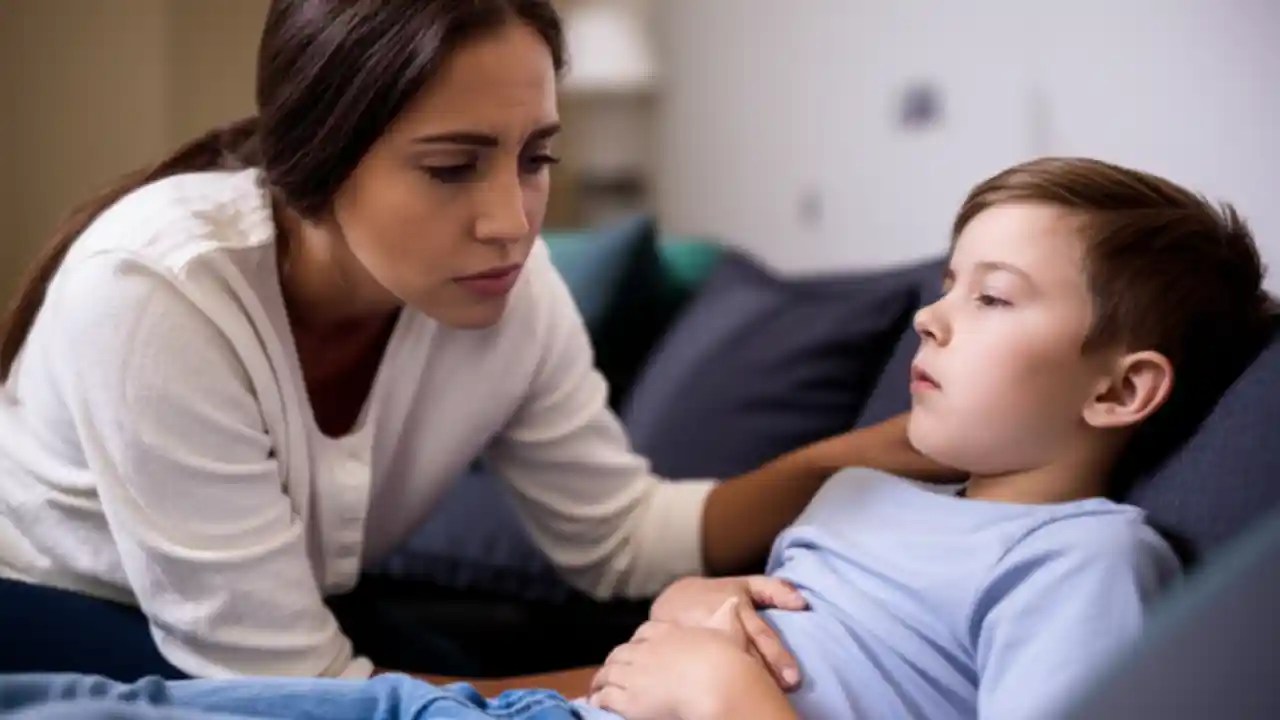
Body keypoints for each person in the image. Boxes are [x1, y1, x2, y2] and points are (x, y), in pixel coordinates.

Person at [2, 156, 1269, 719]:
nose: (929, 318)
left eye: (990, 298)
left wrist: (728, 695)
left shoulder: (1082, 567)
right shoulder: (862, 497)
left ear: (1119, 392)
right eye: (943, 282)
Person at [0, 0, 939, 681]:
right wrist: (643, 688)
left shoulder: (514, 299)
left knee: (452, 663)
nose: (512, 222)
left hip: (281, 621)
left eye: (536, 159)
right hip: (51, 607)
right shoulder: (159, 291)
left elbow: (618, 535)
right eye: (453, 167)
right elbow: (293, 698)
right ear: (317, 156)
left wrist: (873, 456)